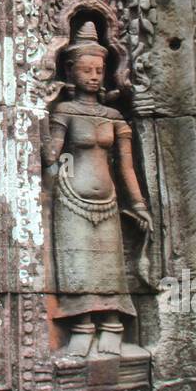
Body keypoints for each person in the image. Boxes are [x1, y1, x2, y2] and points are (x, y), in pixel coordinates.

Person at [43, 21, 152, 358]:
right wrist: (39, 112)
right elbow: (51, 155)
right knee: (77, 264)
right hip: (71, 200)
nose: (93, 75)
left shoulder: (114, 116)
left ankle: (113, 326)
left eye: (99, 70)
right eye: (86, 69)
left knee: (109, 268)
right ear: (70, 71)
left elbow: (127, 167)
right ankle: (82, 326)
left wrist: (138, 204)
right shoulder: (64, 111)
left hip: (107, 201)